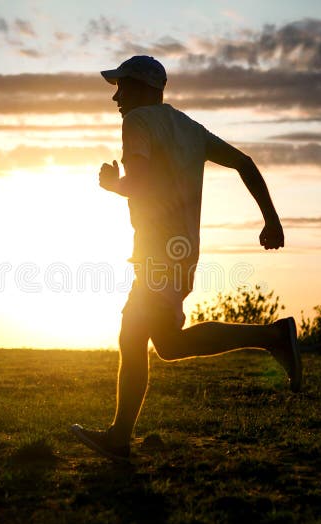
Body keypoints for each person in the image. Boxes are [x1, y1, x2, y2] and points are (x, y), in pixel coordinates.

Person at [70, 56, 302, 463]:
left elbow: (138, 183)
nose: (115, 96)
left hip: (159, 251)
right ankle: (273, 336)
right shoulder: (189, 128)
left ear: (143, 88)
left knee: (132, 336)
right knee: (168, 344)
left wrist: (111, 185)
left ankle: (119, 439)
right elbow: (244, 163)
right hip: (182, 251)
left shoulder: (137, 122)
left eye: (121, 86)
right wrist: (272, 219)